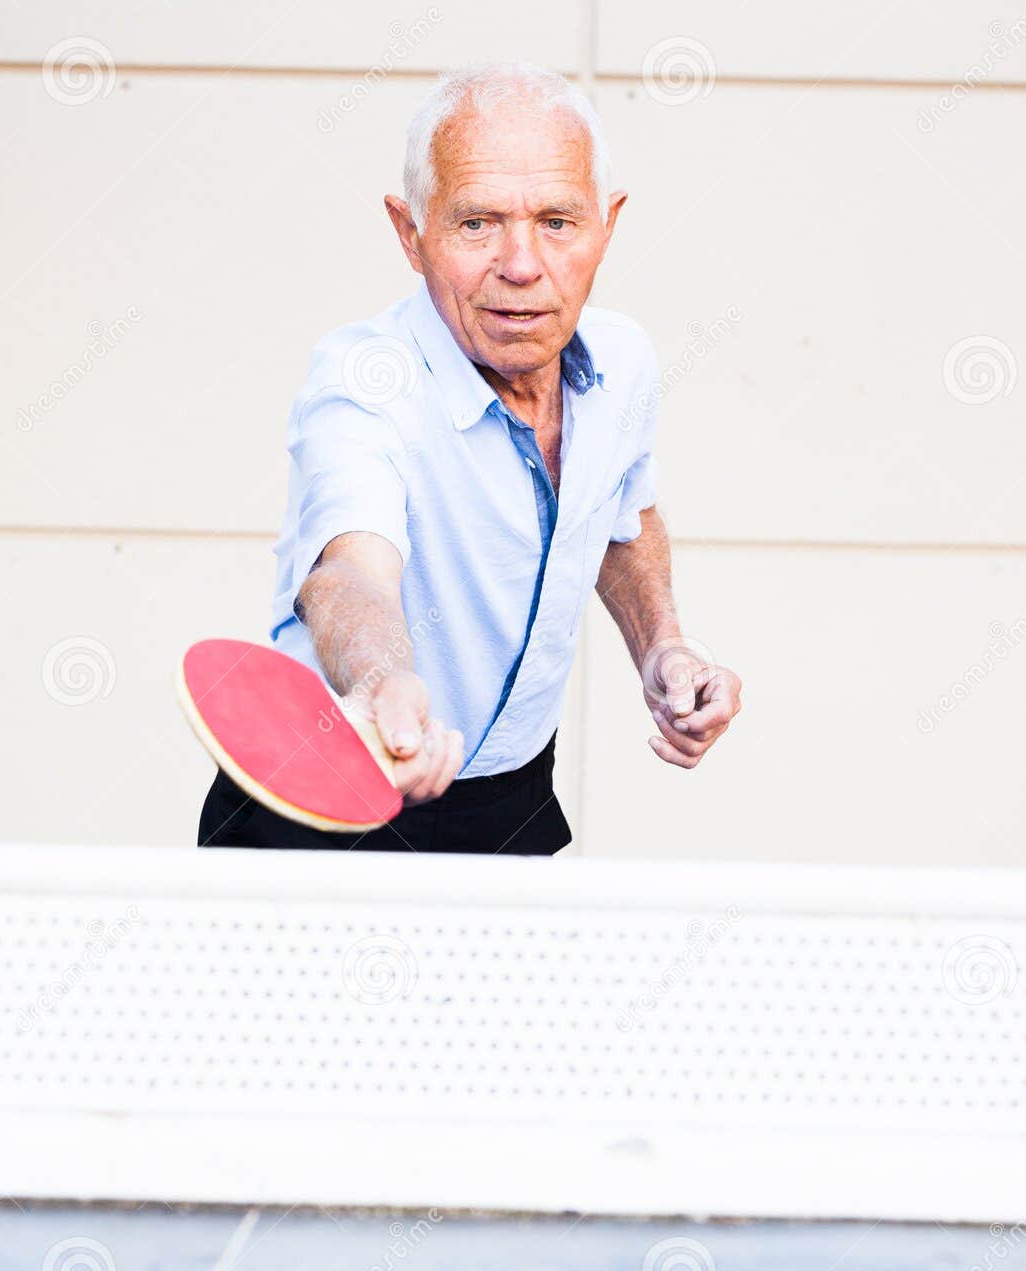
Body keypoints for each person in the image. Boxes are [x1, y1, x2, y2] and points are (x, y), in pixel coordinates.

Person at [199, 60, 741, 856]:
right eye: (477, 223)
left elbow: (621, 520)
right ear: (411, 233)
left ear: (608, 224)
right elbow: (349, 570)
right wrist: (384, 681)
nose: (521, 265)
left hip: (511, 802)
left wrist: (663, 643)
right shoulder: (363, 378)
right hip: (321, 802)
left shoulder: (625, 362)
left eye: (557, 221)